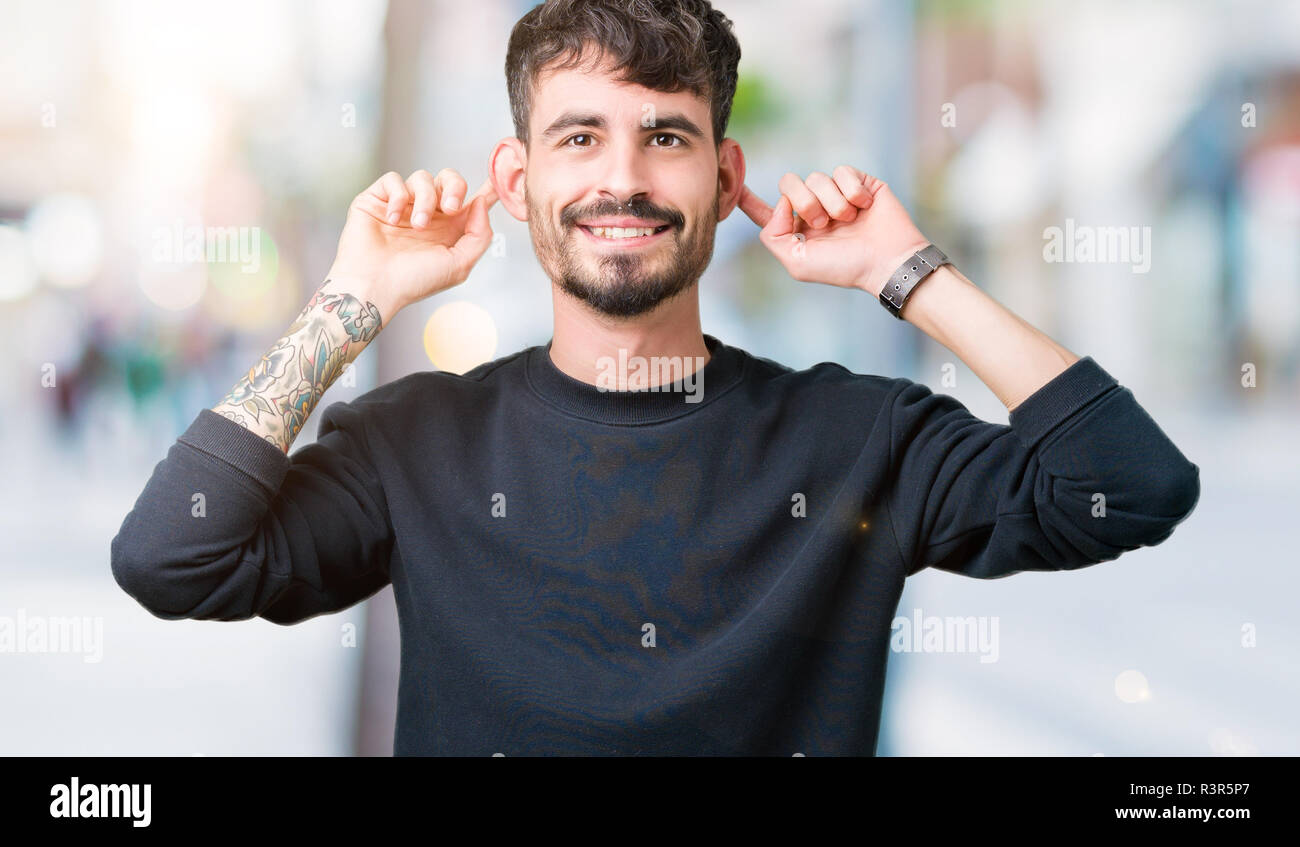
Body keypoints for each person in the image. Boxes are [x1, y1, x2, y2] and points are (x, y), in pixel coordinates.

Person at [110, 0, 1200, 755]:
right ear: (517, 176)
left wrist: (905, 272)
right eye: (578, 137)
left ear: (725, 177)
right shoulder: (413, 442)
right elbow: (171, 556)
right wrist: (350, 302)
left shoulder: (861, 436)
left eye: (665, 137)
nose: (621, 180)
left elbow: (1131, 483)